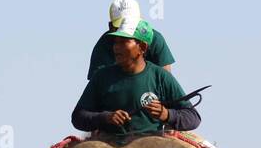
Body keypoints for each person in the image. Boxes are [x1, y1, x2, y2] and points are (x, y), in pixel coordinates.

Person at [72, 19, 200, 138]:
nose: (116, 47)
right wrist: (106, 117)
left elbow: (193, 117)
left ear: (142, 47)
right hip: (109, 145)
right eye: (116, 42)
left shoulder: (160, 76)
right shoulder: (101, 76)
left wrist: (166, 114)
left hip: (152, 146)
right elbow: (78, 117)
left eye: (124, 42)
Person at [87, 0, 175, 80]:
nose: (126, 29)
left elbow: (166, 80)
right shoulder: (103, 46)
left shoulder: (154, 39)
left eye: (132, 24)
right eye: (121, 25)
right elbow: (96, 86)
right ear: (111, 27)